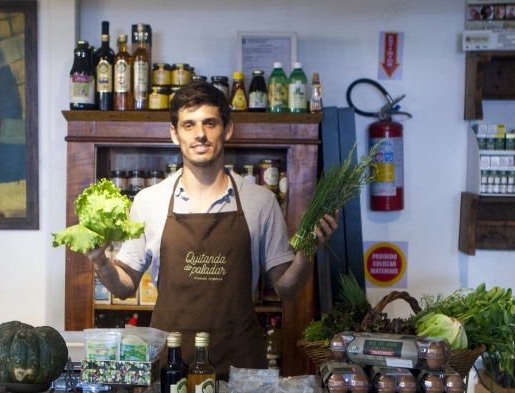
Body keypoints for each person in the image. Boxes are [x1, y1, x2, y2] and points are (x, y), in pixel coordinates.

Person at [87, 81, 337, 375]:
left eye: (210, 123)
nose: (200, 134)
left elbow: (287, 289)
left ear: (227, 129)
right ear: (174, 133)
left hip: (239, 365)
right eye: (189, 125)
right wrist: (101, 262)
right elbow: (126, 287)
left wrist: (307, 254)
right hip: (171, 366)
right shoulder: (148, 201)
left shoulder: (261, 202)